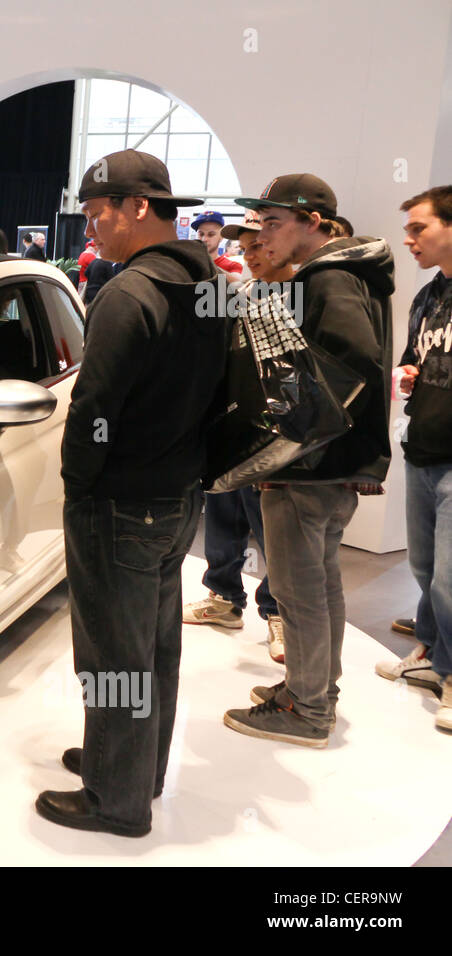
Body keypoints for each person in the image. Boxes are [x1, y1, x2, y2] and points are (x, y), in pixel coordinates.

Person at [37, 149, 223, 838]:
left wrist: (78, 486)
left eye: (97, 215)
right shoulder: (211, 283)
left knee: (115, 654)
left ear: (138, 206)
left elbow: (93, 409)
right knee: (154, 648)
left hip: (120, 503)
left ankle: (115, 800)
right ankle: (135, 768)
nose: (91, 230)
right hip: (179, 498)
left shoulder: (128, 294)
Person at [222, 174, 393, 747]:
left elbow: (353, 360)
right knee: (317, 586)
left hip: (310, 468)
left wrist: (286, 436)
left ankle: (307, 709)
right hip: (328, 466)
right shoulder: (345, 273)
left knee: (299, 591)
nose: (263, 235)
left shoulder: (328, 277)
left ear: (313, 222)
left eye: (274, 222)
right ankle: (313, 688)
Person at [183, 211, 287, 661]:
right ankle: (224, 596)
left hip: (271, 433)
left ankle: (279, 612)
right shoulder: (237, 292)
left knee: (271, 528)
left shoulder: (298, 296)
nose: (251, 254)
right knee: (224, 514)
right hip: (229, 426)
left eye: (257, 244)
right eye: (244, 248)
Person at [376, 185, 452, 730]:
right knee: (425, 570)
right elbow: (413, 360)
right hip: (423, 450)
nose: (408, 240)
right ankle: (431, 654)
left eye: (418, 228)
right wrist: (407, 374)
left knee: (448, 577)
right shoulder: (428, 295)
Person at [191, 210, 243, 277]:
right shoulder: (189, 263)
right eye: (201, 234)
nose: (204, 239)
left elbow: (236, 280)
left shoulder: (231, 266)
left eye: (211, 234)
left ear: (221, 237)